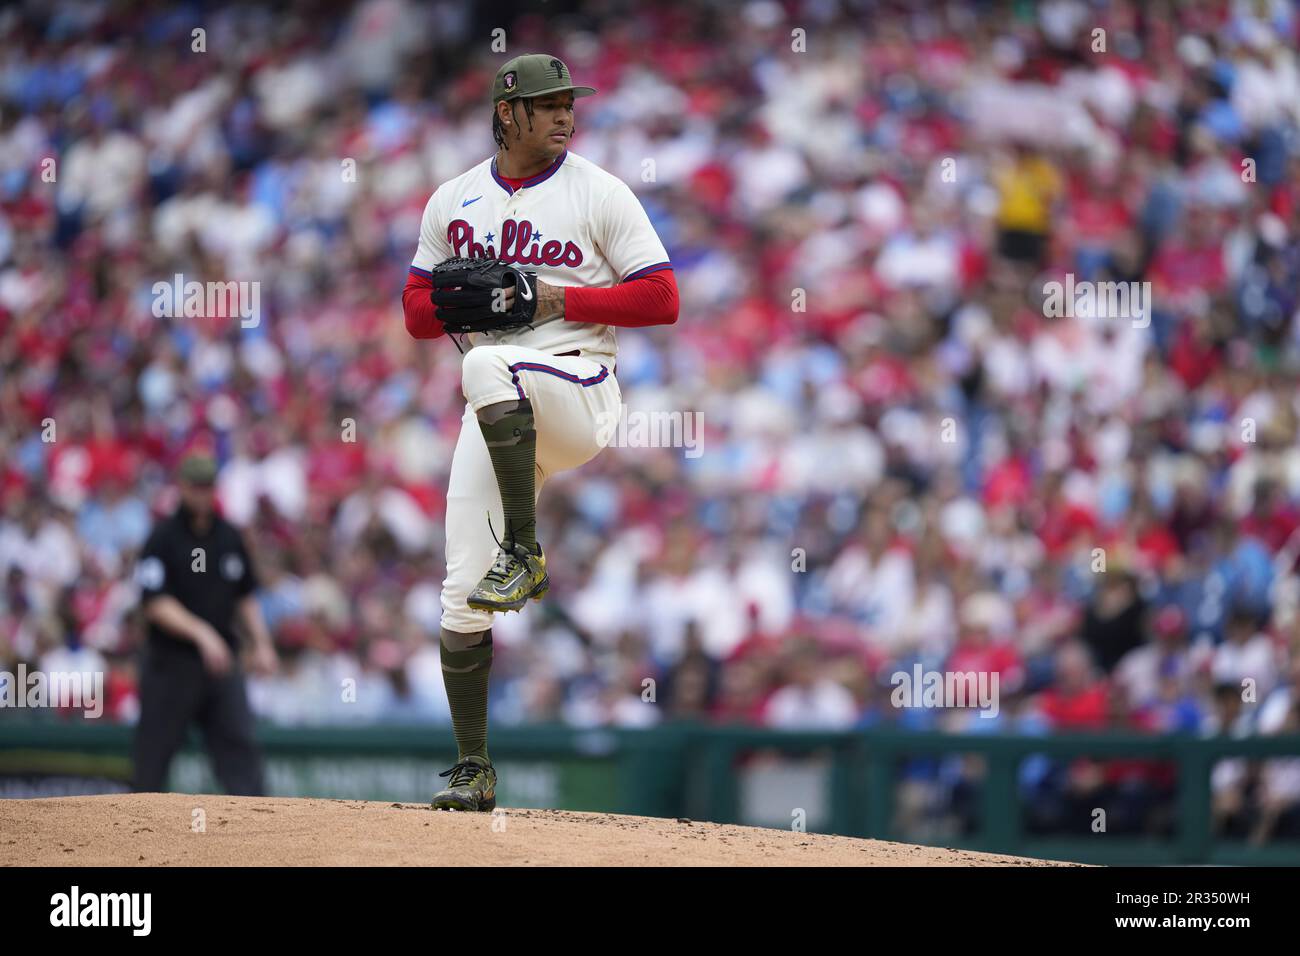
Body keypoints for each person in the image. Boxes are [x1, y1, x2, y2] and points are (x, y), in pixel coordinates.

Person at [402, 53, 679, 810]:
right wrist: (467, 304)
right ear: (506, 114)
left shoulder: (598, 190)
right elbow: (417, 311)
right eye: (547, 103)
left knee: (487, 370)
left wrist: (556, 298)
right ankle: (473, 767)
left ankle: (524, 552)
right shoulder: (454, 199)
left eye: (569, 102)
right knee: (460, 595)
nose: (564, 114)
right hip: (499, 407)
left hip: (578, 385)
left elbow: (662, 297)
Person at [132, 454, 278, 794]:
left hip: (221, 664)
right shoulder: (163, 538)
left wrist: (262, 643)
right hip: (171, 664)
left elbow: (245, 596)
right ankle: (138, 836)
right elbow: (154, 602)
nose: (201, 493)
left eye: (207, 486)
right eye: (195, 486)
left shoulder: (229, 537)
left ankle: (258, 833)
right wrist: (202, 634)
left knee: (241, 753)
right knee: (152, 758)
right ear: (181, 487)